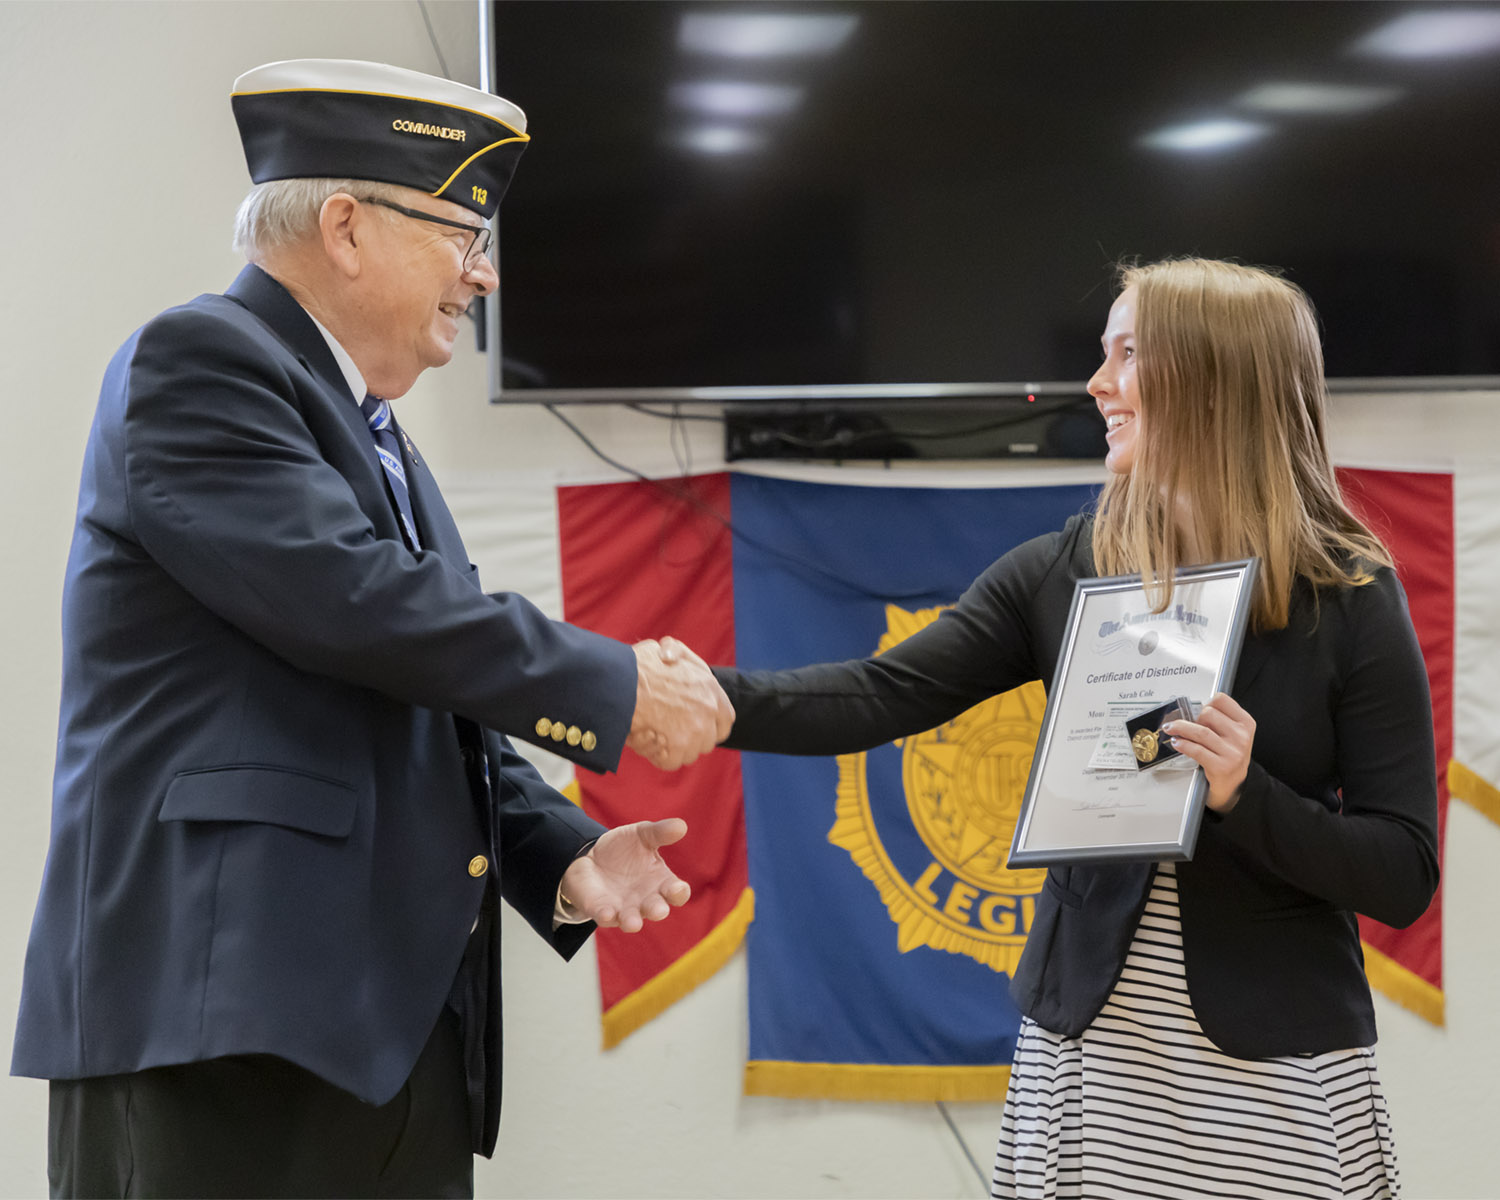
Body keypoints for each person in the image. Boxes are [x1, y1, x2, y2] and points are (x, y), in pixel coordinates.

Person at [13, 59, 732, 1197]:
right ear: (345, 226)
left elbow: (426, 691)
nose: (484, 274)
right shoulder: (199, 363)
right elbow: (361, 605)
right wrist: (615, 690)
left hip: (380, 1037)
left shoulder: (374, 434)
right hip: (225, 1021)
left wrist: (561, 851)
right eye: (462, 231)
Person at [708, 258, 1439, 1199]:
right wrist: (705, 701)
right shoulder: (1067, 567)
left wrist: (1245, 796)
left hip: (1280, 1090)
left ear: (1214, 378)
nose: (1096, 384)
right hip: (1090, 1072)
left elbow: (1402, 870)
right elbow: (881, 692)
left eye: (1128, 355)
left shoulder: (1349, 595)